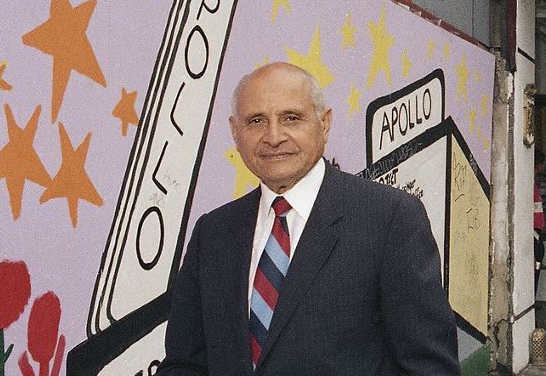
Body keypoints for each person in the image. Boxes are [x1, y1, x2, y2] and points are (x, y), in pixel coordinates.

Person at [159, 63, 458, 375]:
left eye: (291, 118)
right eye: (256, 120)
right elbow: (183, 364)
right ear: (235, 132)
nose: (273, 137)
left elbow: (429, 368)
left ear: (324, 123)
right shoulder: (213, 233)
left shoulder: (389, 218)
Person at [533, 150, 546, 294]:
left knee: (537, 263)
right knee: (535, 264)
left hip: (537, 232)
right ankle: (531, 296)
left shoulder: (532, 184)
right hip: (533, 233)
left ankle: (532, 296)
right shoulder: (529, 185)